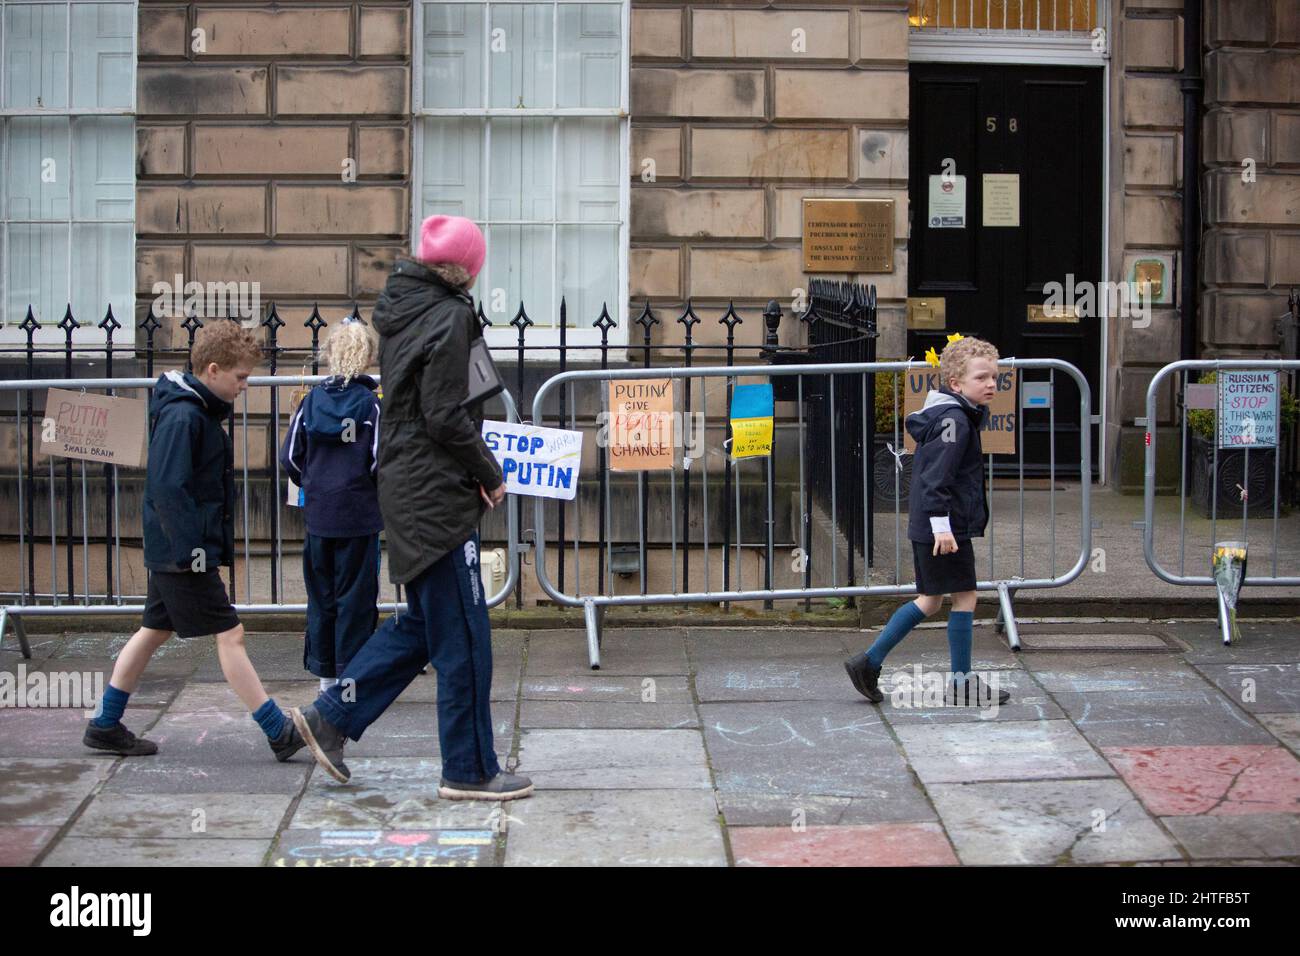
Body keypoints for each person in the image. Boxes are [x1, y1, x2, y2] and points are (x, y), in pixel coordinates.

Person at [292, 214, 532, 801]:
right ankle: (470, 769)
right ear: (467, 267)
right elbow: (445, 414)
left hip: (410, 485)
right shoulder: (448, 315)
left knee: (425, 626)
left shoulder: (405, 309)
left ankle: (332, 717)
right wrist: (488, 473)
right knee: (466, 639)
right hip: (435, 499)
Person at [84, 320, 305, 759]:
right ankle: (278, 730)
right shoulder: (185, 417)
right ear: (213, 368)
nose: (245, 386)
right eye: (241, 377)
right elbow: (168, 489)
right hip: (185, 553)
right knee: (231, 635)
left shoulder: (194, 412)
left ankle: (105, 724)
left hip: (177, 550)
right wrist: (194, 554)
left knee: (153, 630)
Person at [844, 335, 1012, 707]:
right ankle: (961, 683)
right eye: (982, 377)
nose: (991, 384)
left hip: (938, 526)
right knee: (964, 596)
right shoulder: (954, 421)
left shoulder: (953, 415)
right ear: (956, 384)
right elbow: (936, 477)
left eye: (995, 377)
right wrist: (942, 527)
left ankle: (868, 663)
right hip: (943, 529)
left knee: (931, 600)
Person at [280, 319, 383, 691]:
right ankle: (352, 679)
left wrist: (314, 483)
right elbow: (379, 461)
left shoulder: (312, 401)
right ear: (367, 356)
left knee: (322, 596)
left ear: (330, 355)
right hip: (358, 517)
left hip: (320, 516)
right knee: (356, 599)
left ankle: (326, 677)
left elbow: (290, 457)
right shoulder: (370, 406)